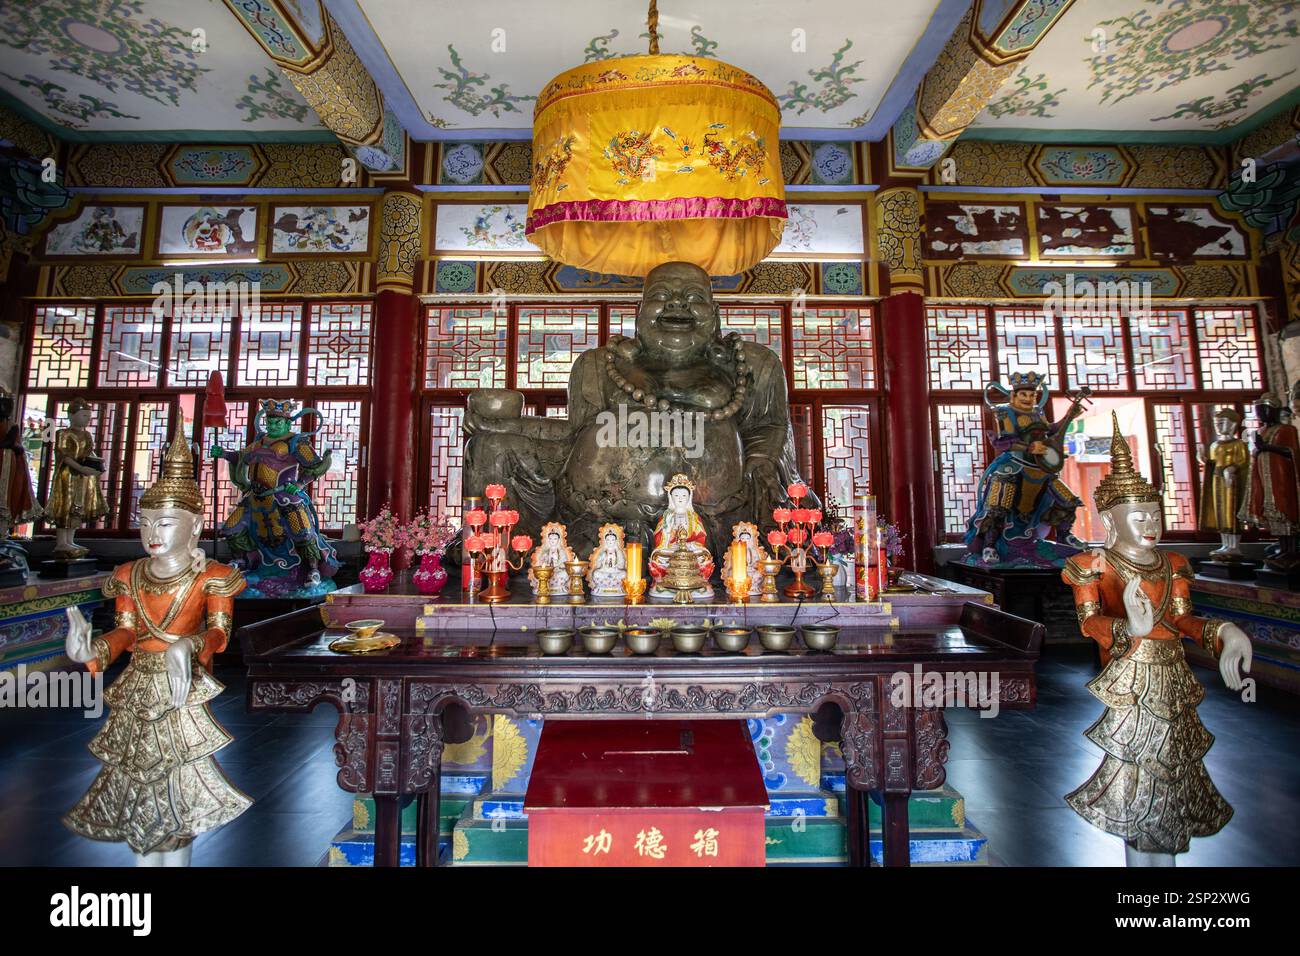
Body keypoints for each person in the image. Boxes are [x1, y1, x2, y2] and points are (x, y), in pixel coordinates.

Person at [1061, 413, 1252, 866]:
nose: (1149, 523)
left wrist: (1223, 633)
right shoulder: (1094, 565)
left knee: (1175, 769)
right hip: (1128, 679)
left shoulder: (1172, 564)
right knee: (1133, 768)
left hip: (1173, 676)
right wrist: (1130, 629)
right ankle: (1142, 857)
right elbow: (1090, 623)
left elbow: (1183, 620)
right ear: (1110, 519)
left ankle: (1160, 858)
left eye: (1154, 513)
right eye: (1137, 515)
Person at [63, 432, 250, 865]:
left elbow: (220, 633)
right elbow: (126, 631)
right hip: (137, 686)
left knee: (178, 781)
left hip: (181, 688)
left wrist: (190, 645)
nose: (152, 532)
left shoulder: (213, 576)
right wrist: (92, 649)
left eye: (165, 522)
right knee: (135, 778)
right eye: (146, 521)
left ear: (195, 527)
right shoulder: (129, 574)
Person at [210, 398, 338, 596]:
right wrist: (225, 454)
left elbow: (316, 465)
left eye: (278, 422)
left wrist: (299, 484)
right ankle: (244, 560)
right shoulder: (260, 441)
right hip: (256, 496)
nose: (273, 425)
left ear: (288, 422)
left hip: (284, 494)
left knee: (302, 531)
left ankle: (312, 568)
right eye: (270, 421)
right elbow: (242, 457)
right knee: (231, 528)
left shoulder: (296, 441)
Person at [965, 370, 1084, 566]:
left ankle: (1064, 535)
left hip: (1041, 467)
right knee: (998, 507)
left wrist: (1069, 417)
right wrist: (1029, 447)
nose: (1028, 398)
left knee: (1068, 500)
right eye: (1024, 394)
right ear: (1014, 395)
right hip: (1013, 465)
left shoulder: (1038, 411)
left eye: (1032, 394)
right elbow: (1004, 441)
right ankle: (990, 545)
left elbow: (1051, 430)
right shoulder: (1004, 412)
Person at [45, 397, 107, 559]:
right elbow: (64, 456)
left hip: (84, 476)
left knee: (78, 507)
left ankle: (70, 540)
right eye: (83, 415)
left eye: (88, 416)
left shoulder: (87, 435)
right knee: (65, 505)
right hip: (68, 475)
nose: (87, 419)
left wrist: (97, 465)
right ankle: (61, 542)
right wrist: (80, 467)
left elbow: (90, 453)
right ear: (71, 415)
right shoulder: (63, 434)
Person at [649, 474, 714, 599]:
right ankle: (664, 581)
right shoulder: (667, 516)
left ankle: (697, 582)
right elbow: (659, 539)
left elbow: (700, 537)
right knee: (657, 558)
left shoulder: (693, 517)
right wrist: (668, 535)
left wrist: (691, 544)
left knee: (703, 556)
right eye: (676, 496)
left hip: (690, 549)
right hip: (671, 548)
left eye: (684, 496)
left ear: (689, 497)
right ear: (671, 497)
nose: (680, 499)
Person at [1198, 407, 1248, 560]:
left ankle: (1234, 546)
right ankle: (1225, 544)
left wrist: (1232, 468)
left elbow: (1244, 461)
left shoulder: (1238, 444)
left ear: (1232, 425)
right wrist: (1202, 459)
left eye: (1222, 423)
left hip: (1231, 484)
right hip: (1217, 482)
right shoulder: (1214, 446)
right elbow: (1212, 464)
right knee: (1220, 513)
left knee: (1231, 513)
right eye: (1216, 423)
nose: (1218, 426)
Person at [527, 523, 573, 595]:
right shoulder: (545, 551)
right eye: (550, 538)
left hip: (558, 571)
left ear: (558, 540)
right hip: (546, 572)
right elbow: (540, 563)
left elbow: (565, 563)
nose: (553, 540)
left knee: (565, 574)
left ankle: (558, 588)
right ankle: (543, 587)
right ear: (547, 539)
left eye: (555, 539)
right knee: (537, 574)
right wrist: (545, 562)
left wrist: (558, 564)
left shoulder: (561, 551)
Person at [585, 524, 626, 597]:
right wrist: (602, 559)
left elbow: (621, 563)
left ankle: (618, 588)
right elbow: (597, 564)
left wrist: (616, 567)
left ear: (616, 541)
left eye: (612, 540)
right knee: (596, 574)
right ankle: (600, 588)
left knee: (624, 574)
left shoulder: (618, 552)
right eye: (608, 540)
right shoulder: (603, 551)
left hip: (615, 571)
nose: (610, 542)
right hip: (604, 571)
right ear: (605, 541)